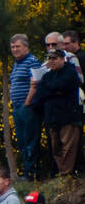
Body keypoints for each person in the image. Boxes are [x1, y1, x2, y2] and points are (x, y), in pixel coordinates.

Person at [29, 48, 83, 178]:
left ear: (62, 59)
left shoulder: (70, 72)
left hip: (68, 117)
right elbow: (41, 94)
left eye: (54, 58)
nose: (51, 61)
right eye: (49, 58)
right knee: (56, 148)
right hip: (52, 118)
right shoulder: (47, 75)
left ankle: (67, 175)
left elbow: (62, 85)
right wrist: (53, 92)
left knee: (68, 147)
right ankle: (62, 173)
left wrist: (49, 91)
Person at [9, 34, 42, 179]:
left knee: (30, 141)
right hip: (17, 108)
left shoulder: (32, 61)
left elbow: (35, 84)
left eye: (18, 46)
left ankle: (32, 173)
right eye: (13, 47)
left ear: (26, 46)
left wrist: (27, 103)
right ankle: (27, 172)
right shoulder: (17, 63)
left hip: (28, 108)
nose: (15, 49)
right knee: (22, 142)